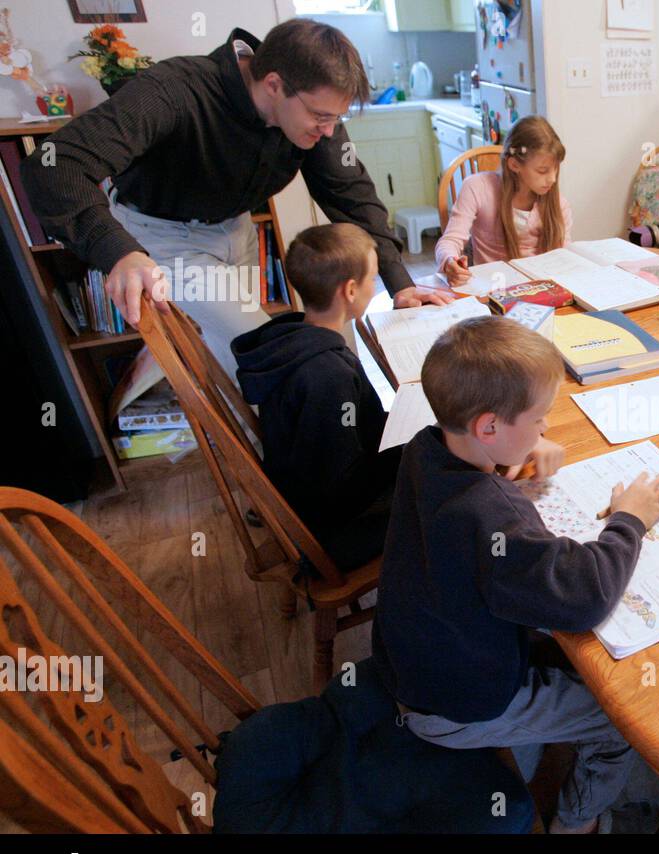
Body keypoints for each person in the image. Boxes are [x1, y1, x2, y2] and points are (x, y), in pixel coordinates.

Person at [372, 316, 659, 834]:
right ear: (488, 427)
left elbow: (476, 521)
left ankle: (540, 752)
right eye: (539, 419)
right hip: (454, 706)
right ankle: (577, 823)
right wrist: (631, 518)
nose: (546, 429)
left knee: (569, 662)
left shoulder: (425, 448)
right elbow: (585, 596)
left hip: (415, 664)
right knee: (623, 718)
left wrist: (507, 453)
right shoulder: (490, 513)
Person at [21, 19, 453, 380]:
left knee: (240, 354)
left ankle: (280, 432)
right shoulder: (174, 90)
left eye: (335, 119)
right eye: (321, 117)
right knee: (262, 346)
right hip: (163, 236)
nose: (328, 131)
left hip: (236, 227)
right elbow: (53, 164)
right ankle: (274, 449)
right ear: (274, 84)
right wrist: (118, 252)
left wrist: (401, 283)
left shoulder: (313, 110)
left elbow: (350, 192)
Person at [231, 223, 396, 570]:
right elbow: (339, 486)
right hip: (332, 533)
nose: (375, 285)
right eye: (373, 278)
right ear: (350, 290)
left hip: (311, 503)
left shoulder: (295, 341)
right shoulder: (328, 376)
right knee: (450, 482)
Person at [435, 115, 572, 286]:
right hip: (490, 287)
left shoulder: (558, 203)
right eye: (542, 171)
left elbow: (563, 254)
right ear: (514, 165)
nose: (552, 179)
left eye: (555, 169)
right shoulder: (477, 188)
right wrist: (450, 261)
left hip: (539, 288)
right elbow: (450, 240)